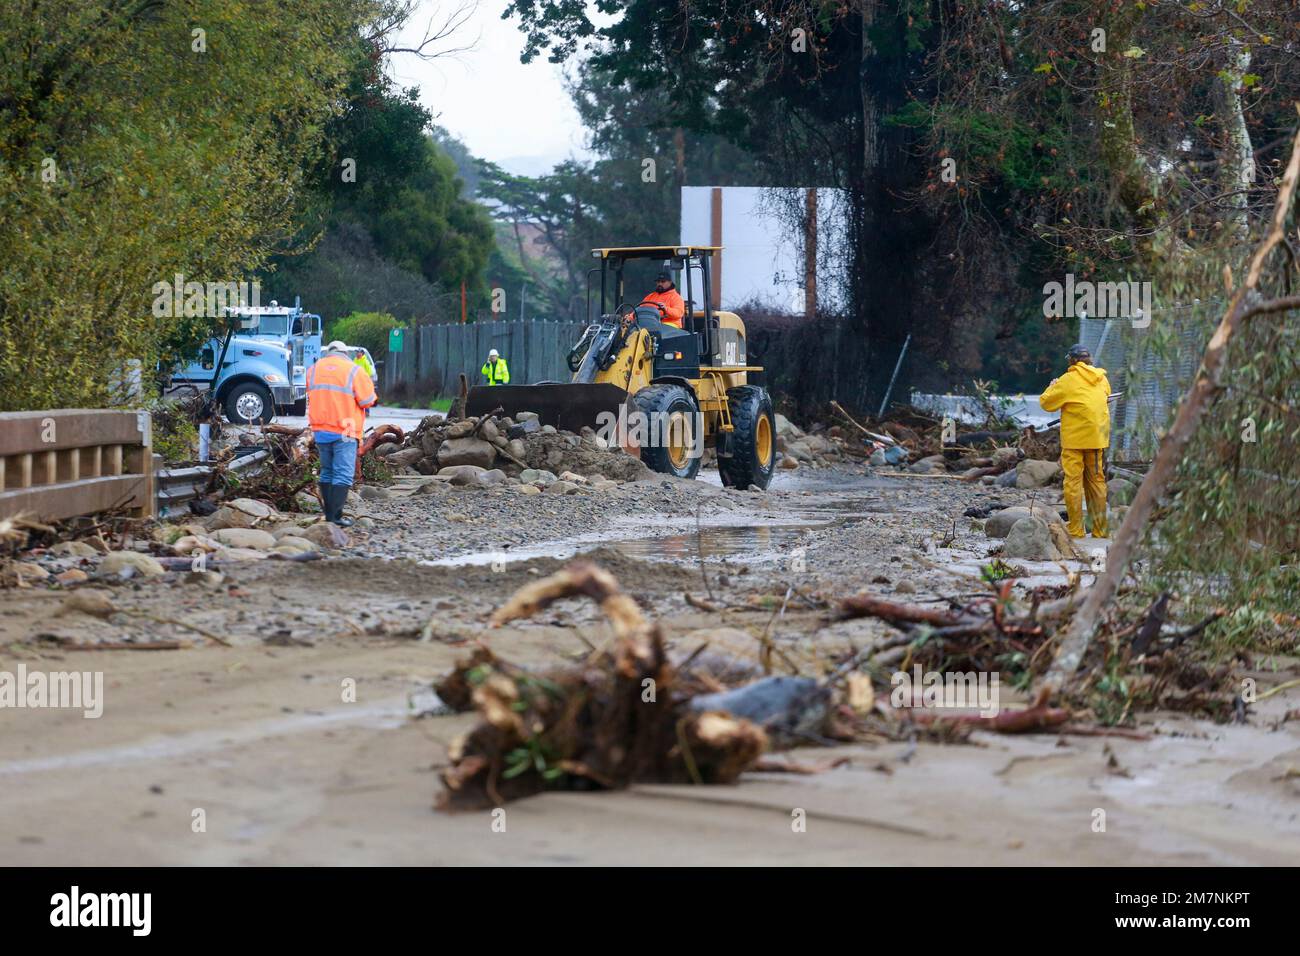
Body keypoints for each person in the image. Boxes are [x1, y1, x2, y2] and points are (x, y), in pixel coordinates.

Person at [1038, 344, 1111, 539]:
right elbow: (1104, 397)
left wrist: (1052, 386)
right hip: (1097, 439)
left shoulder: (1067, 380)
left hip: (1074, 441)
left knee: (1073, 482)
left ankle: (1077, 529)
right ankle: (1100, 530)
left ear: (1071, 360)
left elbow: (1046, 403)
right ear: (1089, 360)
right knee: (1097, 481)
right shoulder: (1102, 378)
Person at [308, 340, 376, 527]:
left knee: (327, 471)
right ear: (345, 353)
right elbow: (367, 400)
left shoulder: (313, 369)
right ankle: (335, 516)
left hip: (321, 429)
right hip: (345, 428)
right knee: (344, 473)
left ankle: (329, 515)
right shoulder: (353, 370)